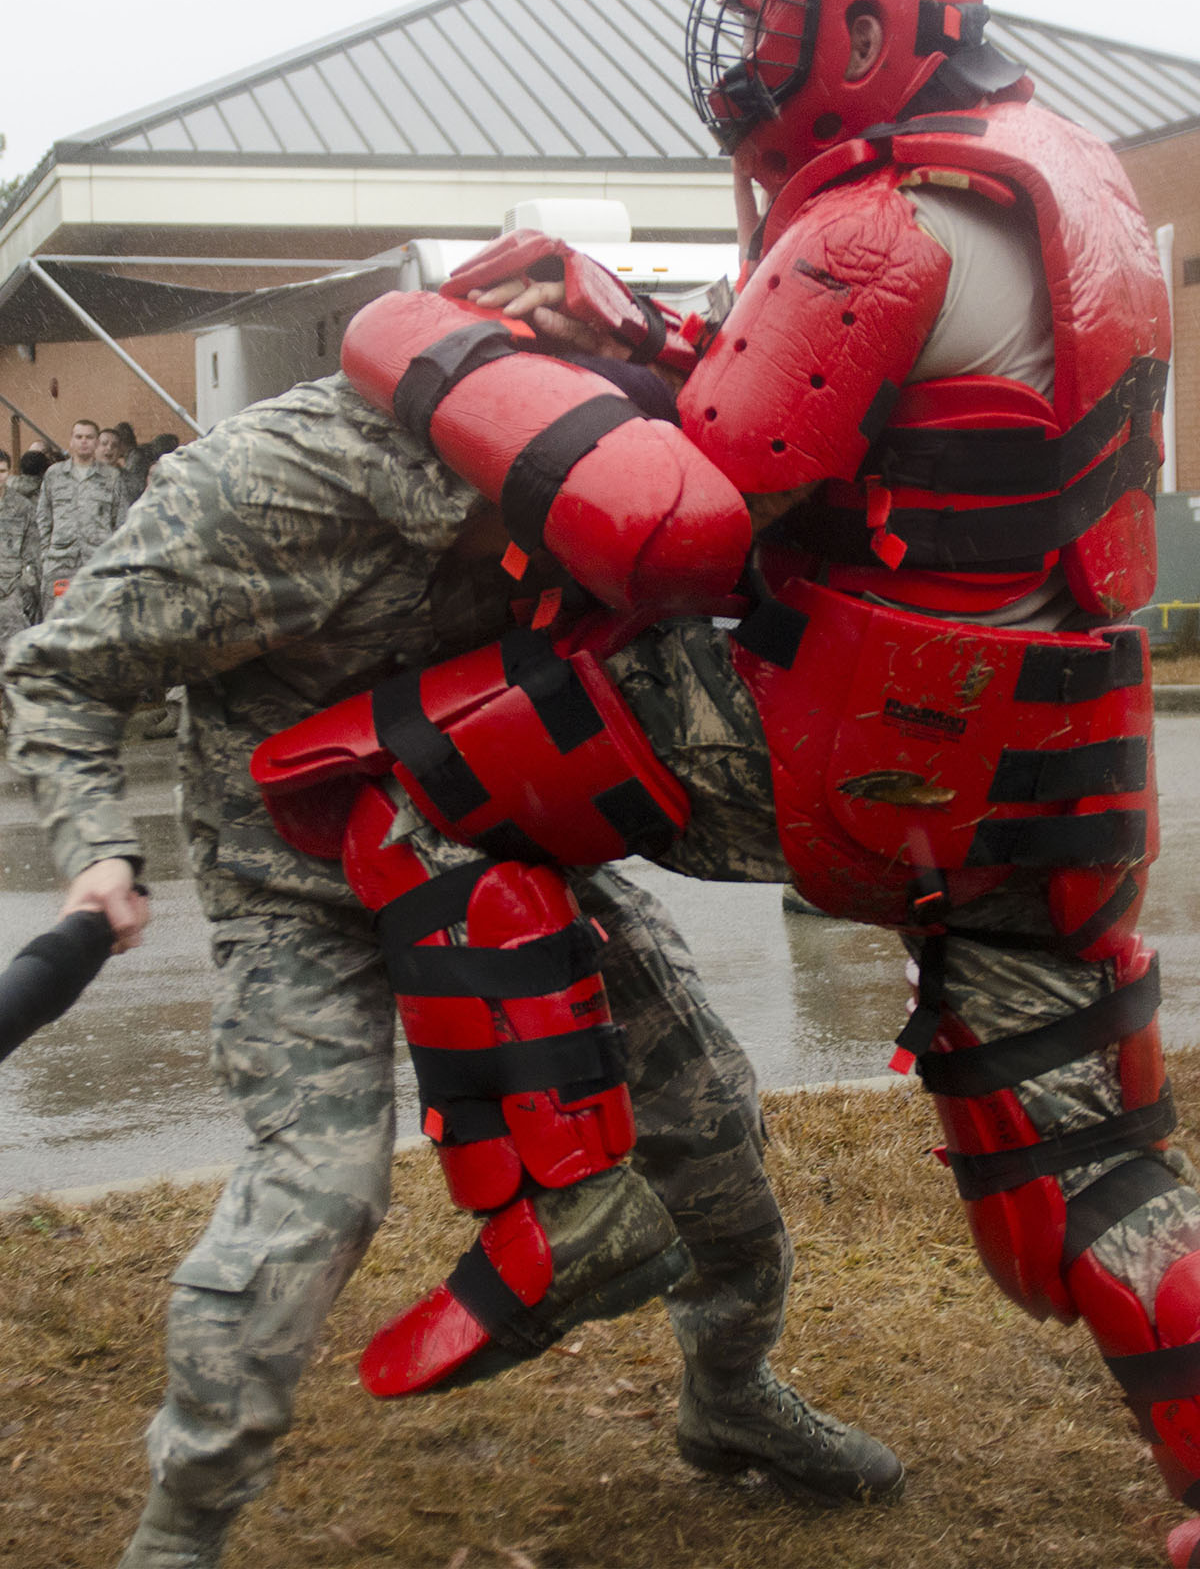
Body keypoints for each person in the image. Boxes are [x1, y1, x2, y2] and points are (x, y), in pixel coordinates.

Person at [271, 0, 1194, 1569]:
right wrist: (635, 322)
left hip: (856, 749)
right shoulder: (1079, 187)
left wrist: (414, 341)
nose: (748, 52)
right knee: (1089, 1177)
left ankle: (570, 1203)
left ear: (865, 22)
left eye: (776, 15)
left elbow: (680, 522)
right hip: (1058, 760)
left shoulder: (873, 223)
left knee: (365, 776)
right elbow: (856, 420)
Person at [4, 347, 900, 1563]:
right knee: (314, 1200)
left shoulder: (598, 462)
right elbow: (59, 676)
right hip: (296, 886)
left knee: (712, 1125)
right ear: (473, 487)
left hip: (492, 850)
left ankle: (729, 1399)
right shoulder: (251, 502)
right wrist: (99, 852)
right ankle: (181, 1532)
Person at [35, 417, 129, 609]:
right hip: (60, 564)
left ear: (96, 442)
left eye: (89, 437)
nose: (84, 441)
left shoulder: (111, 477)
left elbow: (121, 522)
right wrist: (47, 553)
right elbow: (43, 517)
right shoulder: (54, 474)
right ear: (71, 441)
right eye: (79, 437)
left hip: (98, 563)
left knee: (97, 624)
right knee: (57, 625)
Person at [0, 447, 40, 664]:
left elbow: (31, 551)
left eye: (2, 471)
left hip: (10, 593)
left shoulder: (22, 507)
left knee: (14, 658)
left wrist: (27, 586)